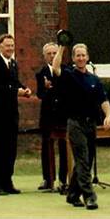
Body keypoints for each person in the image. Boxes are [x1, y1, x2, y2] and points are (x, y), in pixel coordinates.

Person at [51, 41, 110, 210]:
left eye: (83, 55)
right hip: (75, 123)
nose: (81, 58)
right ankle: (90, 197)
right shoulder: (68, 75)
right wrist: (62, 46)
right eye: (78, 55)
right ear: (73, 58)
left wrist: (108, 115)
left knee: (85, 161)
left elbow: (103, 99)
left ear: (88, 57)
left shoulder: (94, 79)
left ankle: (72, 194)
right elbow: (55, 67)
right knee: (83, 160)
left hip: (90, 123)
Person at [0, 33, 30, 195]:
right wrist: (15, 91)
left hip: (11, 114)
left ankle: (7, 181)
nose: (10, 48)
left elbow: (14, 83)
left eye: (12, 45)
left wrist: (24, 89)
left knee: (11, 150)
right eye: (7, 46)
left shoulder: (13, 64)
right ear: (0, 47)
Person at [35, 41, 67, 192]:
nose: (52, 56)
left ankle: (63, 180)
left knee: (64, 148)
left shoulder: (66, 71)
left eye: (55, 53)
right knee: (46, 148)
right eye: (49, 54)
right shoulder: (41, 74)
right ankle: (48, 179)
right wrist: (47, 89)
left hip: (62, 116)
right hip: (48, 116)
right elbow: (40, 94)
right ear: (44, 56)